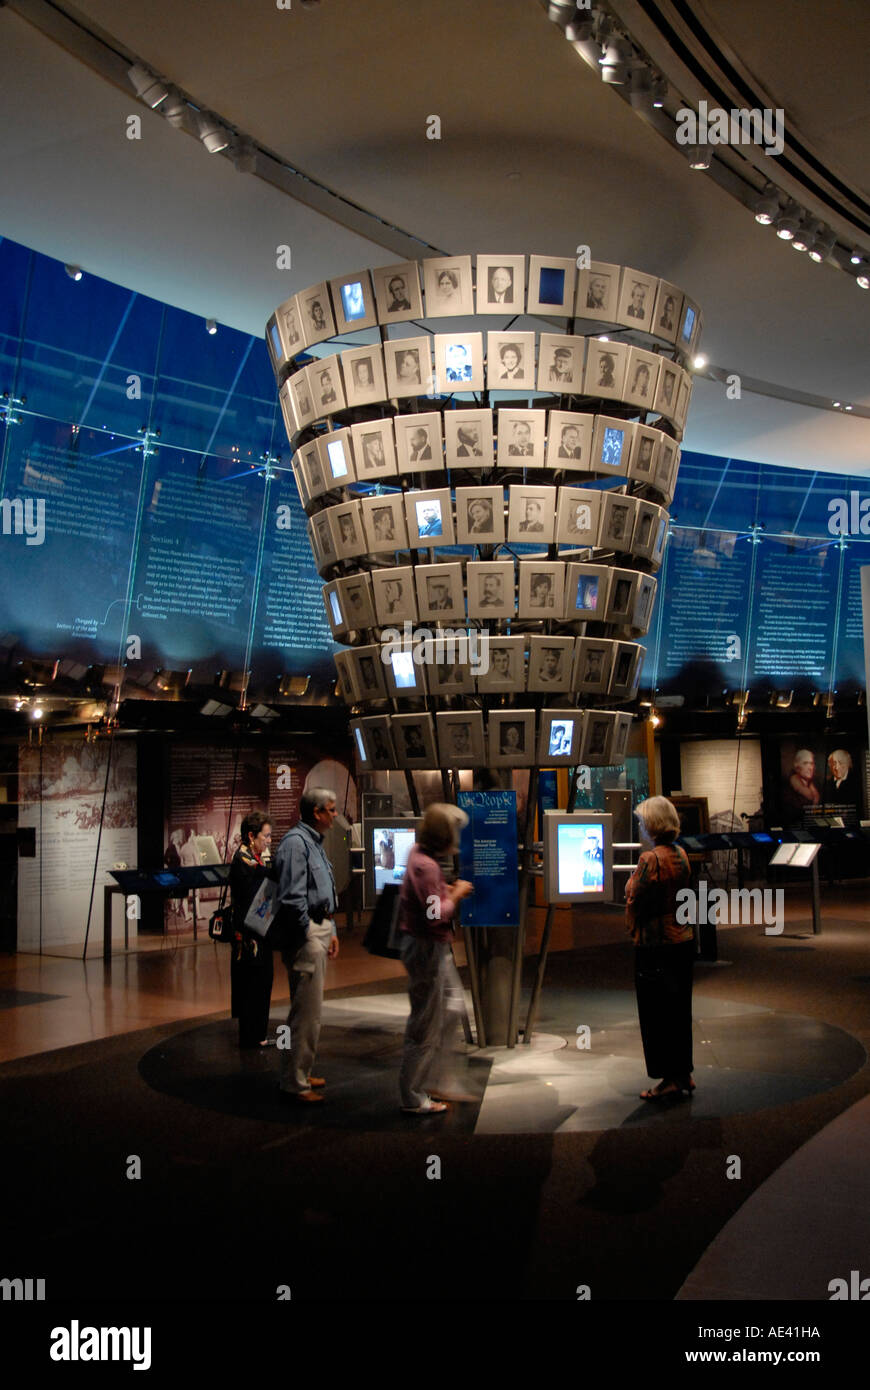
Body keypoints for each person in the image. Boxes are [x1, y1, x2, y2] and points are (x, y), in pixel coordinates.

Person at [397, 804, 474, 1115]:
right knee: (425, 1023)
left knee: (452, 1007)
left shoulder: (419, 854)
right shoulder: (427, 867)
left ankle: (438, 1078)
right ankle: (412, 1094)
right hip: (427, 948)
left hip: (428, 947)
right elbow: (433, 915)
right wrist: (455, 895)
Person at [272, 788, 339, 1104]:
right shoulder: (295, 845)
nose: (335, 815)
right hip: (306, 935)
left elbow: (321, 890)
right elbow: (291, 897)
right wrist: (308, 933)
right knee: (304, 1014)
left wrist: (331, 928)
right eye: (332, 809)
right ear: (317, 812)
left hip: (318, 928)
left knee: (311, 1011)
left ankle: (302, 1070)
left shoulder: (311, 842)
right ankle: (293, 1081)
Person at [625, 797, 694, 1101]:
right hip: (681, 940)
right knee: (678, 1011)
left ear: (652, 825)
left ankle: (668, 1079)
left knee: (656, 1016)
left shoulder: (649, 860)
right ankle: (683, 1073)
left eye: (642, 822)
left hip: (653, 945)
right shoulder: (681, 854)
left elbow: (633, 893)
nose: (640, 827)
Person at [229, 811, 275, 1050]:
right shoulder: (242, 861)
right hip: (248, 936)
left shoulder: (259, 859)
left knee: (264, 980)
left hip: (261, 932)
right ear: (251, 835)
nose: (269, 841)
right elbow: (252, 895)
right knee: (251, 984)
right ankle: (251, 1036)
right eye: (265, 836)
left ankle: (259, 1034)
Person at [782, 748, 820, 820]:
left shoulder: (816, 785)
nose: (810, 768)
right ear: (797, 766)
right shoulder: (789, 789)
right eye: (805, 763)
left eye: (811, 763)